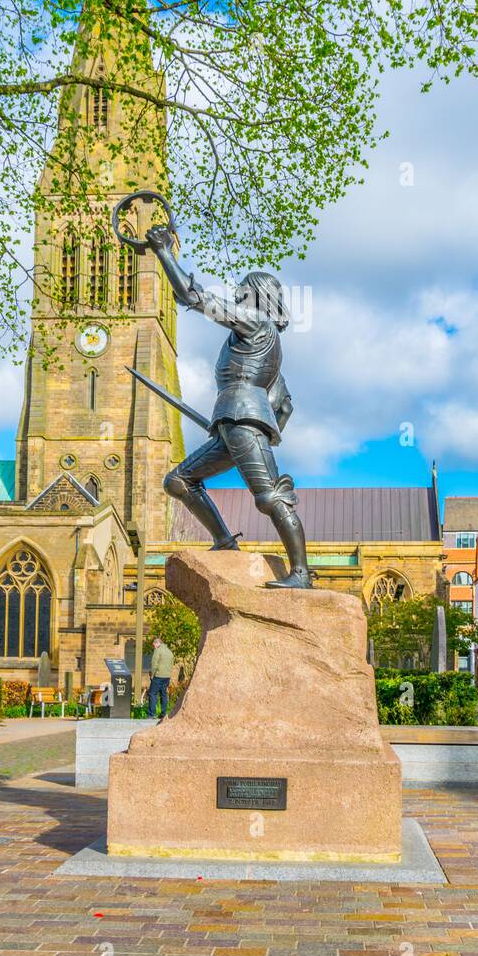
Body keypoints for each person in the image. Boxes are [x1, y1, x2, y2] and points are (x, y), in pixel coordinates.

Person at [145, 223, 311, 588]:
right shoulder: (268, 348)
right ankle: (223, 540)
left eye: (242, 291)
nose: (236, 296)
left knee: (269, 495)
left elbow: (194, 298)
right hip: (234, 425)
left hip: (241, 423)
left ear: (255, 296)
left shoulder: (255, 322)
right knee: (179, 481)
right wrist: (259, 427)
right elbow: (285, 406)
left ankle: (301, 573)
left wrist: (163, 253)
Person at [148, 635, 174, 718]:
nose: (154, 647)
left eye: (154, 645)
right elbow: (171, 664)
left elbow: (154, 663)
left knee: (153, 694)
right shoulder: (169, 651)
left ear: (158, 643)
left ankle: (151, 714)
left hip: (158, 676)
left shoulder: (158, 651)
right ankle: (163, 714)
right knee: (163, 694)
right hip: (167, 676)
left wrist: (152, 674)